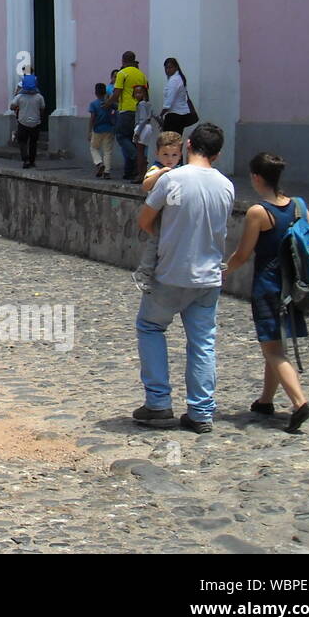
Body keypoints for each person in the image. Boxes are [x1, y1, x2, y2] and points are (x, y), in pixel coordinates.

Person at [132, 123, 235, 435]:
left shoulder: (173, 179)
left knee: (150, 327)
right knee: (203, 342)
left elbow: (145, 220)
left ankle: (159, 403)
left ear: (189, 145)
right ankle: (201, 411)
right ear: (216, 155)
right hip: (209, 277)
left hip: (172, 272)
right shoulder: (227, 186)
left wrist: (167, 240)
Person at [224, 152, 309, 434]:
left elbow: (243, 254)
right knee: (275, 343)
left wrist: (223, 271)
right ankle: (266, 401)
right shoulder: (299, 206)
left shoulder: (258, 212)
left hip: (268, 287)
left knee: (273, 349)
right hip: (294, 287)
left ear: (255, 177)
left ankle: (300, 403)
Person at [133, 131, 184, 289]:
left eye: (174, 155)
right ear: (157, 153)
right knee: (155, 242)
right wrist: (161, 173)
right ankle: (144, 272)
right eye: (165, 154)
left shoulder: (181, 169)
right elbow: (146, 185)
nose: (170, 159)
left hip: (174, 211)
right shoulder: (156, 168)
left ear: (180, 155)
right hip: (157, 213)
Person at [109, 51, 149, 183]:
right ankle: (135, 170)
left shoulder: (122, 73)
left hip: (126, 110)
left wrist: (107, 104)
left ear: (123, 60)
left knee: (121, 136)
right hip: (139, 110)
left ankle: (138, 157)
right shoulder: (141, 74)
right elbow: (146, 92)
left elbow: (116, 93)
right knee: (134, 140)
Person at [9, 75, 45, 168]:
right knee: (33, 143)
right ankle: (32, 161)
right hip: (35, 123)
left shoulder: (20, 96)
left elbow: (11, 106)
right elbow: (42, 109)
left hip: (22, 122)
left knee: (22, 142)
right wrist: (39, 118)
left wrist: (19, 106)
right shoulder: (39, 97)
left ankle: (25, 160)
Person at [160, 56, 198, 137]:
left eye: (170, 67)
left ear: (176, 67)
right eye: (166, 68)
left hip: (174, 115)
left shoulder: (174, 80)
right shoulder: (179, 78)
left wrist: (161, 114)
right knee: (176, 140)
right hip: (181, 115)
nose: (167, 70)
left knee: (168, 142)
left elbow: (169, 102)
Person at [87, 83, 117, 179]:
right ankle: (107, 172)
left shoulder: (93, 104)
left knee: (93, 148)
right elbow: (117, 108)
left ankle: (99, 163)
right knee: (107, 151)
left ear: (96, 93)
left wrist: (89, 130)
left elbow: (92, 118)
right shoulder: (109, 103)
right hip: (109, 129)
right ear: (105, 92)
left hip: (97, 129)